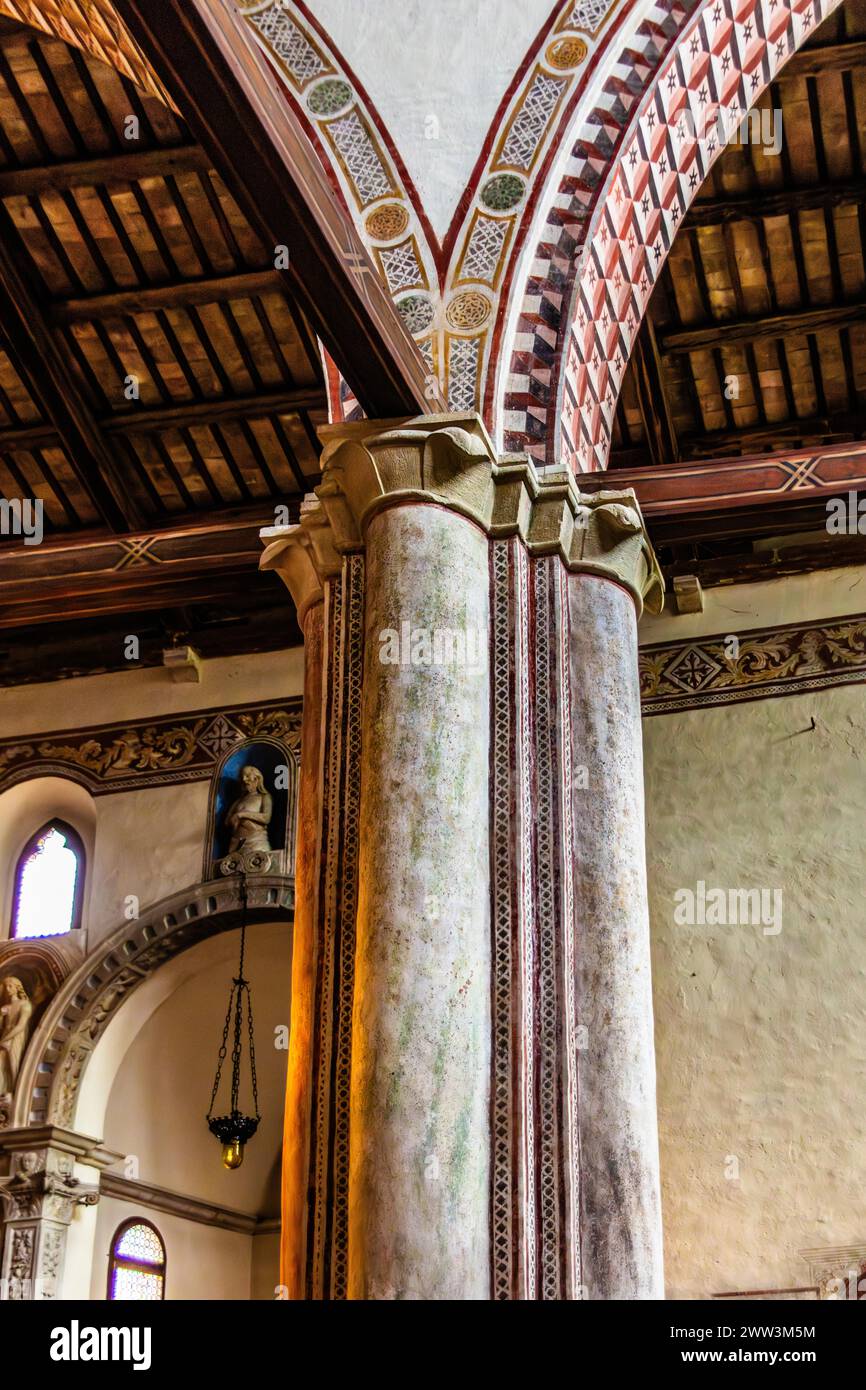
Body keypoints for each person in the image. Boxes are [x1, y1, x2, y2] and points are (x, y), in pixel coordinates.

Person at [225, 764, 273, 853]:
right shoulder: (238, 801)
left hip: (257, 842)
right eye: (242, 777)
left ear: (256, 778)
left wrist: (241, 814)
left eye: (247, 776)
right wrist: (233, 822)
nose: (244, 779)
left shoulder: (264, 797)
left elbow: (266, 818)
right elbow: (227, 822)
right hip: (236, 844)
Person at [0, 976, 33, 1096]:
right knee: (2, 1063)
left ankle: (16, 1092)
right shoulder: (7, 1007)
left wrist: (4, 1039)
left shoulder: (25, 1004)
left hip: (16, 1037)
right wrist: (2, 1015)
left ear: (17, 988)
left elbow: (21, 1026)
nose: (7, 989)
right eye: (5, 986)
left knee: (14, 1063)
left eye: (10, 986)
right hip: (5, 1036)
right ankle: (4, 1089)